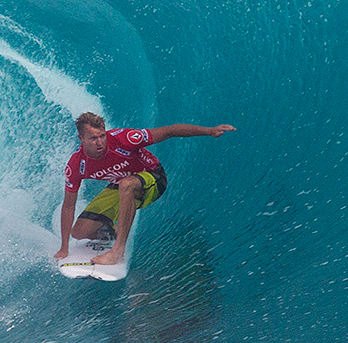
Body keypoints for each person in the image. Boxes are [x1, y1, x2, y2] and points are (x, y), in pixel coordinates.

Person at [55, 111, 235, 267]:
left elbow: (170, 131)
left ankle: (117, 250)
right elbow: (69, 205)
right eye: (93, 138)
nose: (100, 142)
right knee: (79, 233)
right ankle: (110, 232)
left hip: (153, 178)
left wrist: (210, 131)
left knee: (126, 184)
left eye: (102, 135)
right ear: (81, 139)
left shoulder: (123, 139)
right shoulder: (77, 164)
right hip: (120, 184)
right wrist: (64, 247)